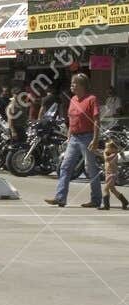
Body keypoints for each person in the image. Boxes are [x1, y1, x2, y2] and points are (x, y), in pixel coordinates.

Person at [46, 72, 102, 208]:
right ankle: (60, 198)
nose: (72, 85)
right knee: (65, 167)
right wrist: (69, 135)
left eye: (74, 83)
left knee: (91, 169)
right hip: (74, 138)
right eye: (71, 83)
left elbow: (96, 120)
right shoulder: (73, 100)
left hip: (87, 137)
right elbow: (71, 119)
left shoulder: (91, 99)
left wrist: (95, 140)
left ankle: (96, 199)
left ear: (82, 85)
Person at [102, 139, 128, 210]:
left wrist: (104, 153)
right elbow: (99, 153)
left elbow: (106, 159)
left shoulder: (114, 154)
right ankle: (124, 201)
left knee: (105, 189)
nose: (105, 149)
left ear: (113, 149)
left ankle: (106, 206)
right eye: (105, 147)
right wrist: (93, 150)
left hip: (112, 174)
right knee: (113, 189)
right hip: (108, 174)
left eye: (107, 147)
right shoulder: (110, 153)